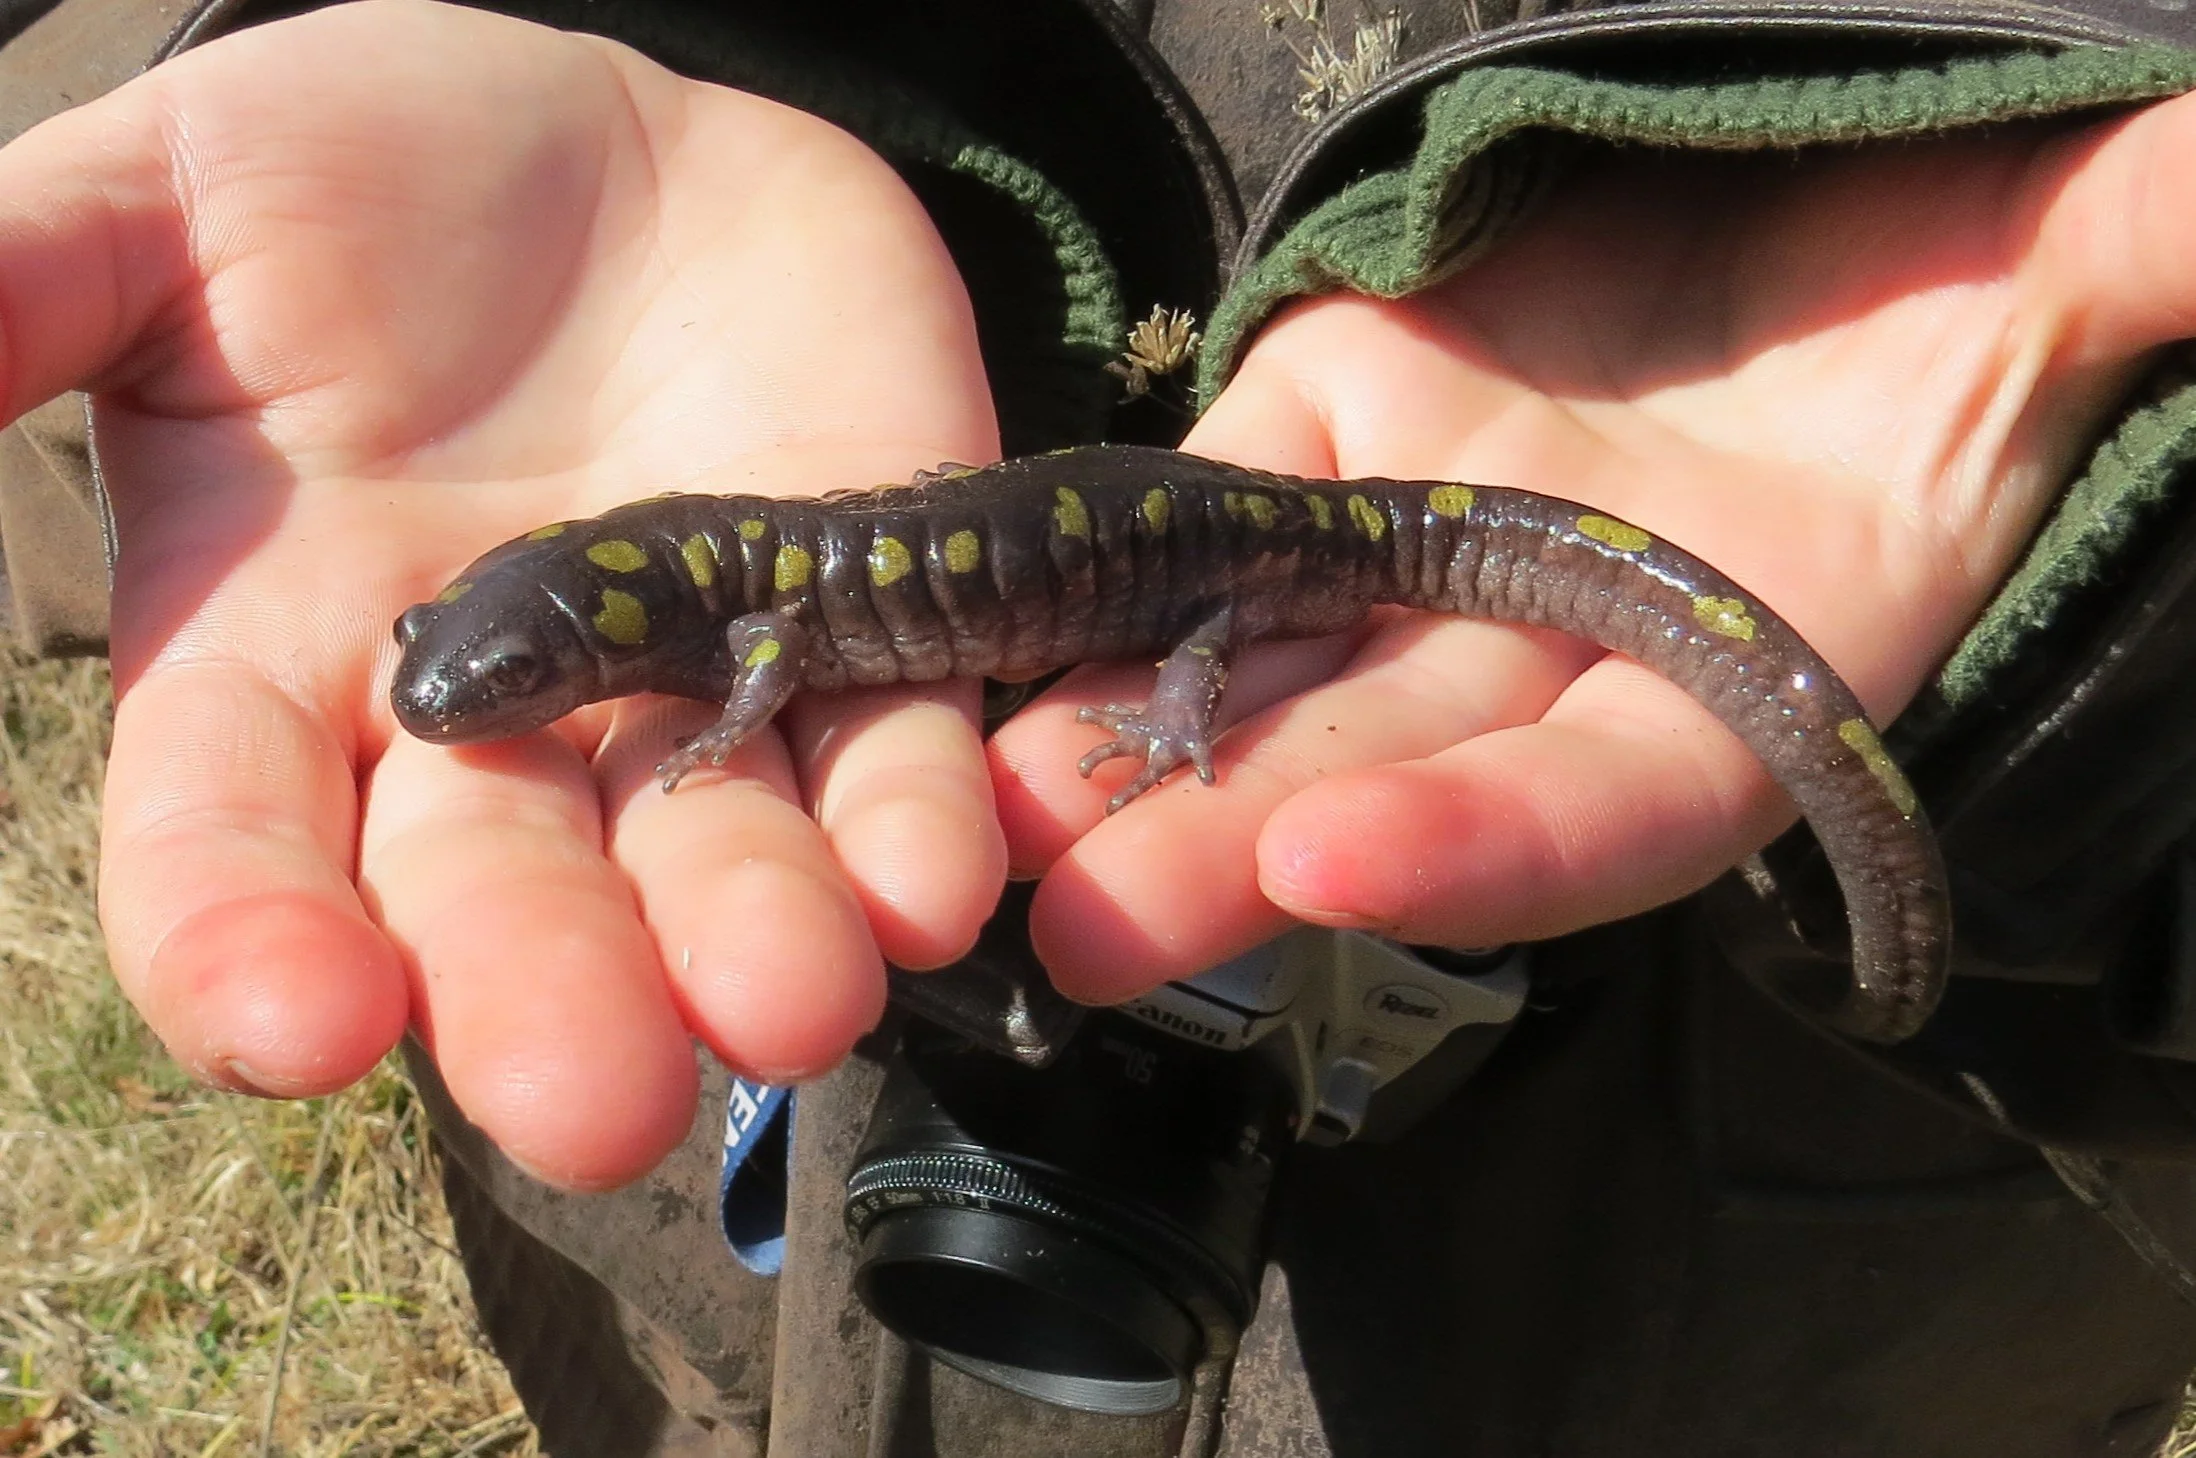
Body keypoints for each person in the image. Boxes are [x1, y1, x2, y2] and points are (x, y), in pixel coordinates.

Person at [8, 0, 2196, 1449]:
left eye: (503, 677)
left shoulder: (713, 624)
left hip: (1672, 1138)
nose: (480, 697)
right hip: (1202, 529)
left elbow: (761, 660)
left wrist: (1153, 705)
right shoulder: (655, 579)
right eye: (480, 670)